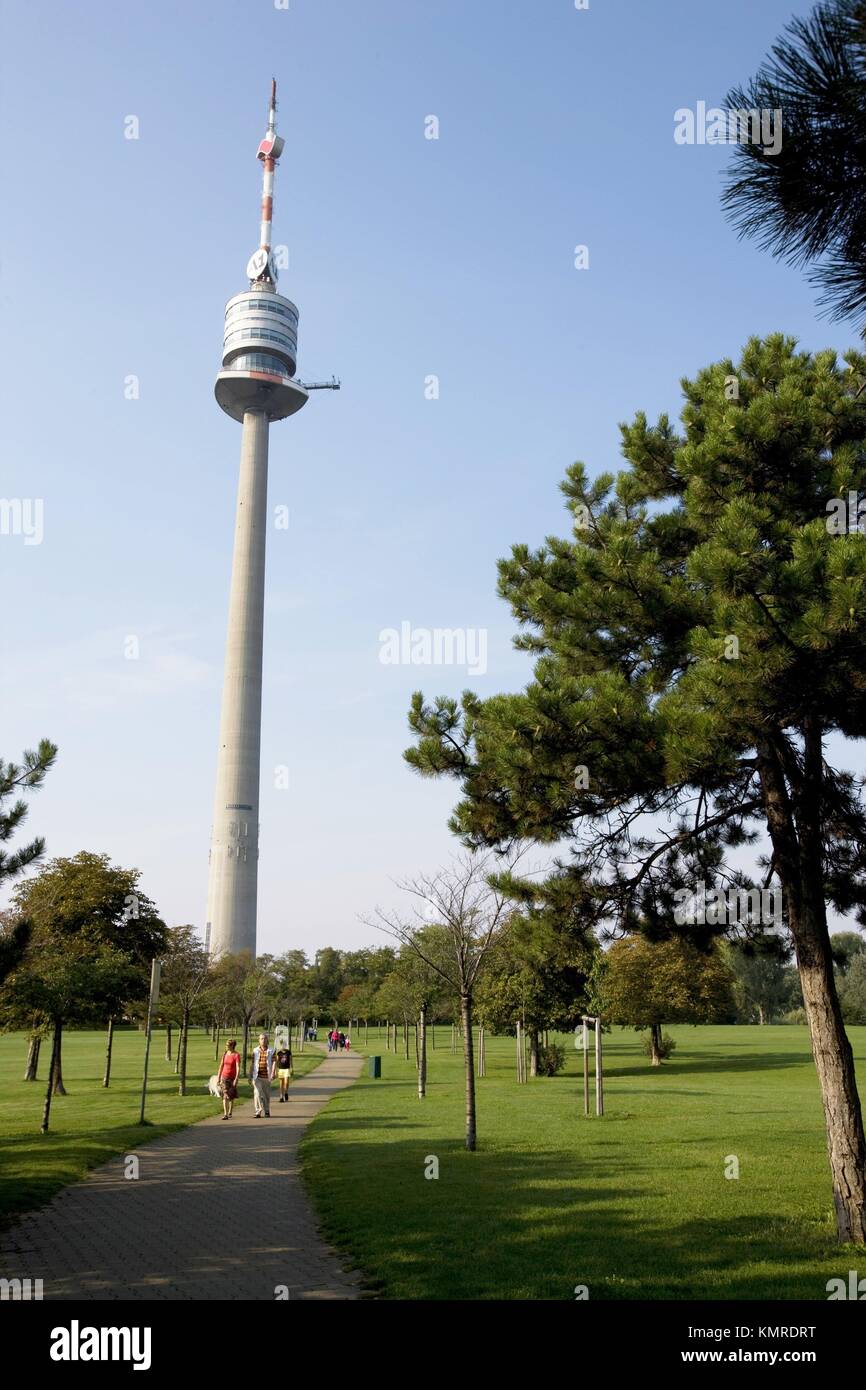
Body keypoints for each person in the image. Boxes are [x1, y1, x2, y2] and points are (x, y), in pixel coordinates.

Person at [249, 1032, 275, 1117]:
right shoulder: (255, 1050)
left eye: (265, 1039)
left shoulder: (272, 1050)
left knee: (266, 1095)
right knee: (257, 1093)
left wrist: (273, 1072)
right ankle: (258, 1111)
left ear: (267, 1040)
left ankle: (267, 1110)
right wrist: (250, 1075)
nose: (263, 1040)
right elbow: (252, 1063)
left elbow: (274, 1062)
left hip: (267, 1076)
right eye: (261, 1039)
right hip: (257, 1076)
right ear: (259, 1040)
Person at [218, 1039, 240, 1119]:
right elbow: (221, 1066)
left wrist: (236, 1078)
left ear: (232, 1046)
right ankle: (225, 1114)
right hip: (224, 1077)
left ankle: (230, 1111)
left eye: (228, 1045)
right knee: (225, 1095)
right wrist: (218, 1078)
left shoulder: (236, 1055)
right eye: (226, 1045)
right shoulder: (225, 1054)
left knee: (231, 1096)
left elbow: (238, 1067)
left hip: (232, 1078)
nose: (226, 1046)